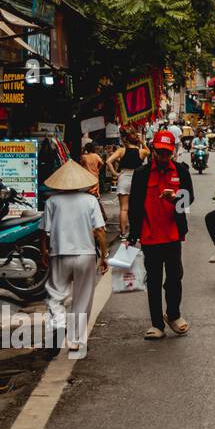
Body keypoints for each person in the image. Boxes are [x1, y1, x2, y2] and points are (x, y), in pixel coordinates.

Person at [126, 130, 193, 341]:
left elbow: (189, 199)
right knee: (153, 281)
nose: (163, 156)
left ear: (172, 152)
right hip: (150, 236)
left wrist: (175, 199)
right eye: (160, 152)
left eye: (167, 153)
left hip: (173, 235)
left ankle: (173, 314)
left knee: (174, 278)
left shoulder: (181, 171)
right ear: (153, 149)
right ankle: (156, 324)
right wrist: (132, 234)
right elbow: (135, 206)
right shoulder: (141, 173)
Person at [40, 160, 108, 355]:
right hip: (85, 254)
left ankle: (60, 324)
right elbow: (100, 231)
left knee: (56, 295)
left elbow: (44, 232)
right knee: (82, 298)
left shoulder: (52, 201)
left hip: (59, 253)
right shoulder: (90, 201)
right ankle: (76, 341)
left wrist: (44, 251)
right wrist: (104, 256)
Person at [107, 131, 146, 235]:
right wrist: (142, 141)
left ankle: (123, 232)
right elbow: (150, 152)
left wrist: (115, 173)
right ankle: (136, 231)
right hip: (137, 179)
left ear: (126, 140)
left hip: (124, 177)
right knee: (137, 206)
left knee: (124, 208)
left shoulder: (121, 150)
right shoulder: (141, 152)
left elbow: (108, 161)